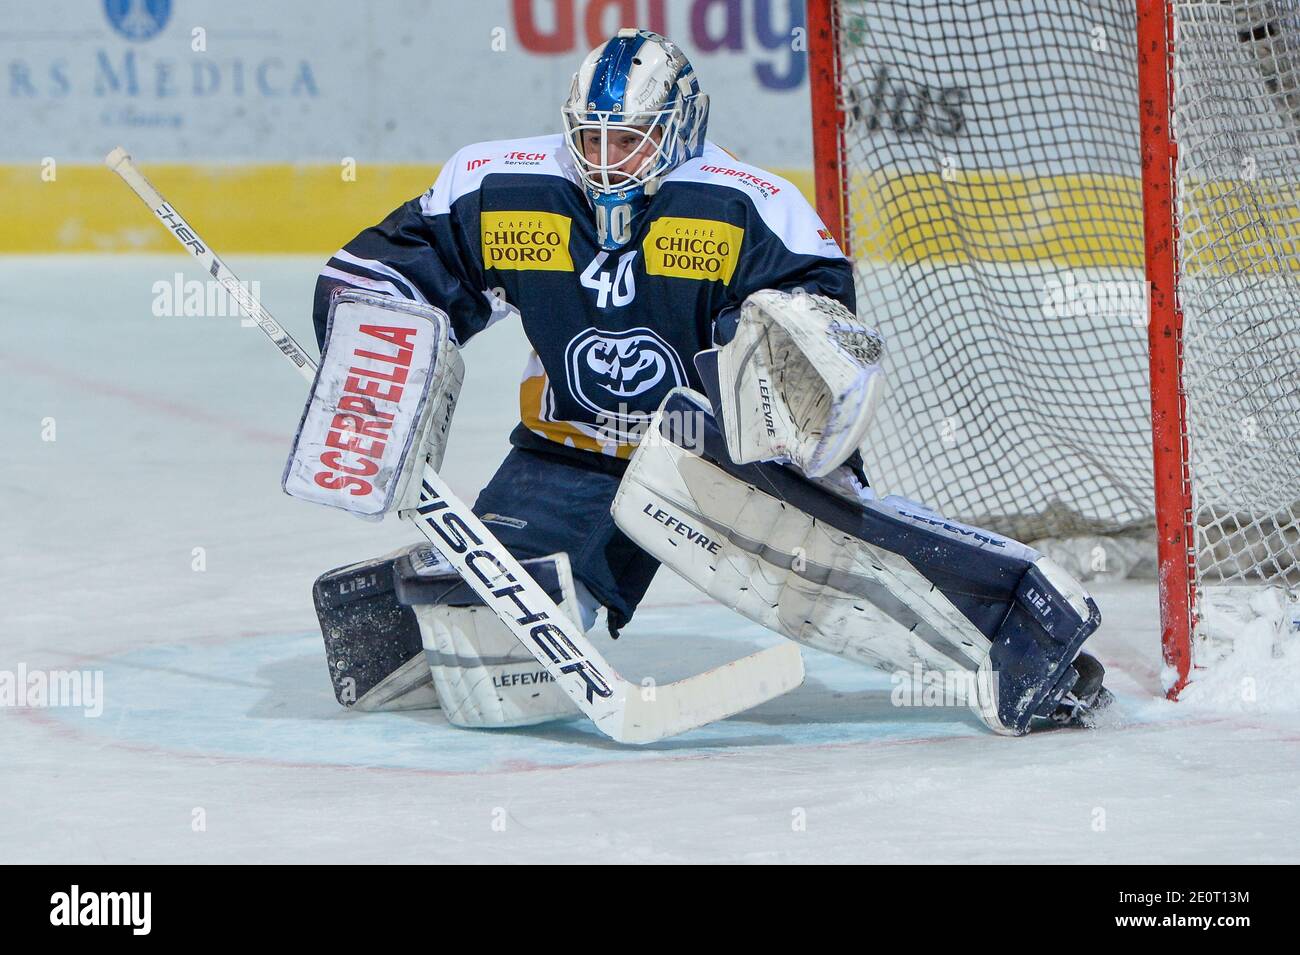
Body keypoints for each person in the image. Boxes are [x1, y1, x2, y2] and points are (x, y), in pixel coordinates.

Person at [309, 29, 1110, 735]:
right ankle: (431, 611)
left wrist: (773, 396)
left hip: (715, 455)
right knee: (497, 668)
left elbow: (822, 348)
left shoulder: (746, 208)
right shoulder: (500, 187)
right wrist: (376, 346)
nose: (605, 159)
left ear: (679, 129)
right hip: (571, 446)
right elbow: (385, 271)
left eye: (629, 140)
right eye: (591, 138)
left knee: (839, 579)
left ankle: (1032, 635)